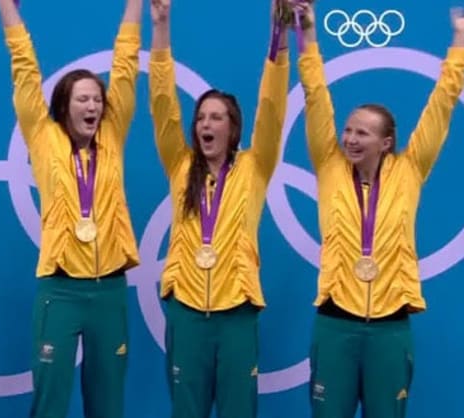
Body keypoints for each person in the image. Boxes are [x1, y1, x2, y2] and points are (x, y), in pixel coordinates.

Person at [293, 1, 464, 417]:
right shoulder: (329, 165)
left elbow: (441, 106)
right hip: (335, 325)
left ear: (386, 142)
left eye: (362, 133)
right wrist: (308, 30)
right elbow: (316, 93)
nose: (350, 138)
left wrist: (461, 42)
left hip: (390, 329)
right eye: (348, 129)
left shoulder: (410, 169)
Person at [0, 0, 142, 417]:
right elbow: (24, 69)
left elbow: (127, 64)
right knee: (50, 400)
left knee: (108, 402)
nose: (93, 107)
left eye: (97, 99)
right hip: (59, 290)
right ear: (64, 105)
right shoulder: (43, 137)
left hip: (110, 289)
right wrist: (7, 7)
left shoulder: (112, 137)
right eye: (83, 99)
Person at [148, 0, 290, 416]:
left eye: (217, 118)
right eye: (201, 118)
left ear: (234, 127)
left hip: (238, 312)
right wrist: (161, 28)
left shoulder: (255, 166)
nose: (206, 125)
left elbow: (273, 110)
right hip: (187, 311)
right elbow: (162, 104)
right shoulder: (179, 164)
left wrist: (279, 41)